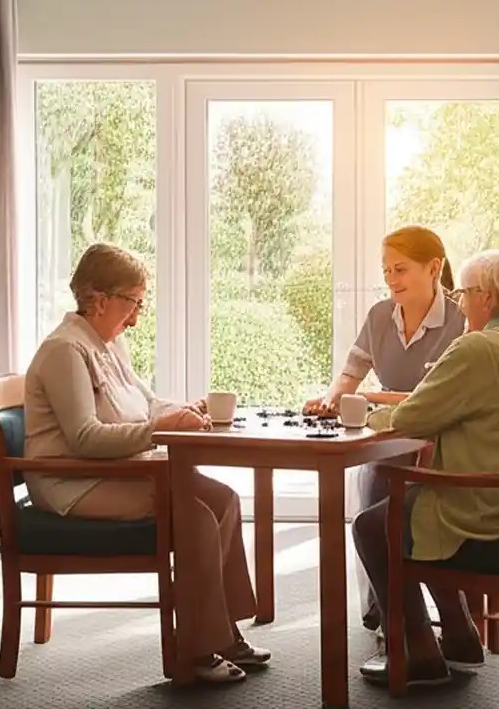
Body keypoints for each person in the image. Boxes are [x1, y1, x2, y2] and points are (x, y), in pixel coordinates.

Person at [23, 242, 269, 684]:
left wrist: (187, 411)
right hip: (73, 483)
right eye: (134, 303)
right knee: (194, 514)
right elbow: (83, 439)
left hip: (118, 471)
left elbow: (148, 402)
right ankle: (193, 654)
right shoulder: (65, 351)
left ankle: (221, 632)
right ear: (99, 299)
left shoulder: (108, 343)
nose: (137, 316)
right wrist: (159, 430)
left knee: (223, 497)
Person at [351, 249, 499, 688]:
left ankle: (417, 650)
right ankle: (458, 634)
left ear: (486, 298)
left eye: (463, 294)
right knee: (418, 507)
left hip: (491, 508)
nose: (459, 303)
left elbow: (412, 417)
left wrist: (361, 418)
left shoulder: (479, 347)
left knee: (373, 526)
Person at [302, 225, 465, 632]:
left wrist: (376, 399)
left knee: (381, 490)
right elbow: (352, 373)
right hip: (392, 435)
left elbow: (441, 397)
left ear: (434, 268)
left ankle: (402, 611)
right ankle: (388, 606)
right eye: (386, 270)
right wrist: (331, 399)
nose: (391, 280)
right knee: (374, 480)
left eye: (400, 269)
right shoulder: (379, 316)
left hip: (443, 436)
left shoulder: (463, 318)